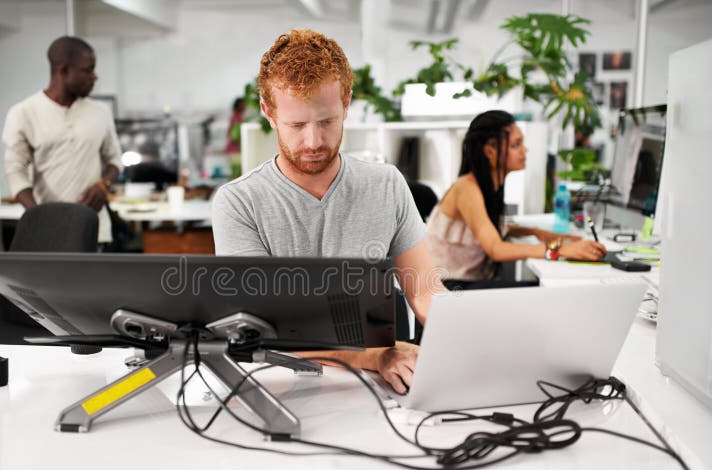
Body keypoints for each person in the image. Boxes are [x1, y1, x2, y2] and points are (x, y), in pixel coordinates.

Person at [212, 29, 444, 394]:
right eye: (297, 125)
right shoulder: (239, 203)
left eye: (326, 121)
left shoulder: (387, 185)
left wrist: (476, 342)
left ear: (346, 103)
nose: (314, 142)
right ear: (267, 111)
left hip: (377, 391)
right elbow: (266, 333)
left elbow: (426, 292)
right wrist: (377, 355)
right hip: (281, 387)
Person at [426, 110, 606, 288]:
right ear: (490, 151)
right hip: (448, 289)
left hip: (463, 284)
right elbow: (495, 249)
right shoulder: (466, 188)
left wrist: (536, 232)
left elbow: (487, 228)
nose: (525, 150)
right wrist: (560, 249)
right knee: (545, 293)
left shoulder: (487, 186)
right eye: (516, 145)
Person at [2, 36, 122, 244]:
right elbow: (15, 172)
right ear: (64, 71)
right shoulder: (23, 113)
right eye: (87, 70)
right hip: (47, 235)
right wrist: (41, 216)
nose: (94, 77)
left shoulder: (100, 112)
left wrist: (104, 185)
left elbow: (114, 159)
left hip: (95, 232)